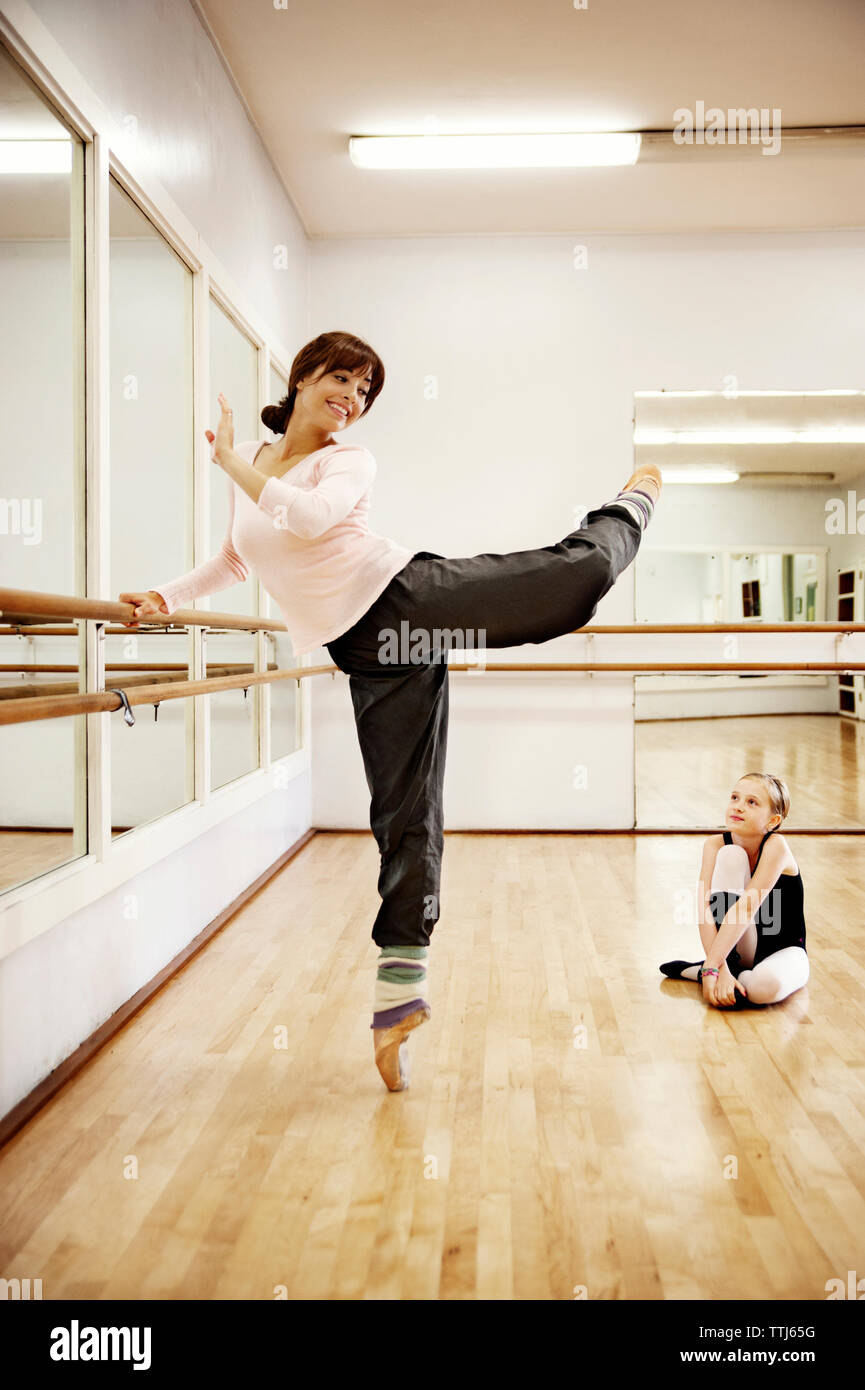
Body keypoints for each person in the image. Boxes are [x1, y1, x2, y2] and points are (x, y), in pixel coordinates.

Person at [120, 330, 662, 1091]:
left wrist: (234, 467)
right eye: (342, 379)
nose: (352, 399)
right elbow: (242, 556)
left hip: (409, 604)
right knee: (401, 814)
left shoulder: (345, 461)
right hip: (367, 654)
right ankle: (397, 995)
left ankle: (629, 506)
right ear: (304, 377)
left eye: (365, 391)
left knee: (569, 587)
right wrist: (166, 598)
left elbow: (309, 521)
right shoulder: (254, 458)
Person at [660, 773, 809, 1010]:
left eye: (752, 802)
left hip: (783, 951)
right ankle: (724, 969)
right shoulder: (715, 845)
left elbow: (746, 907)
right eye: (735, 798)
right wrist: (717, 968)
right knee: (730, 855)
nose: (738, 806)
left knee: (763, 988)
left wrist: (710, 968)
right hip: (741, 948)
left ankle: (709, 972)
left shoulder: (776, 846)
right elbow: (704, 909)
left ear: (772, 821)